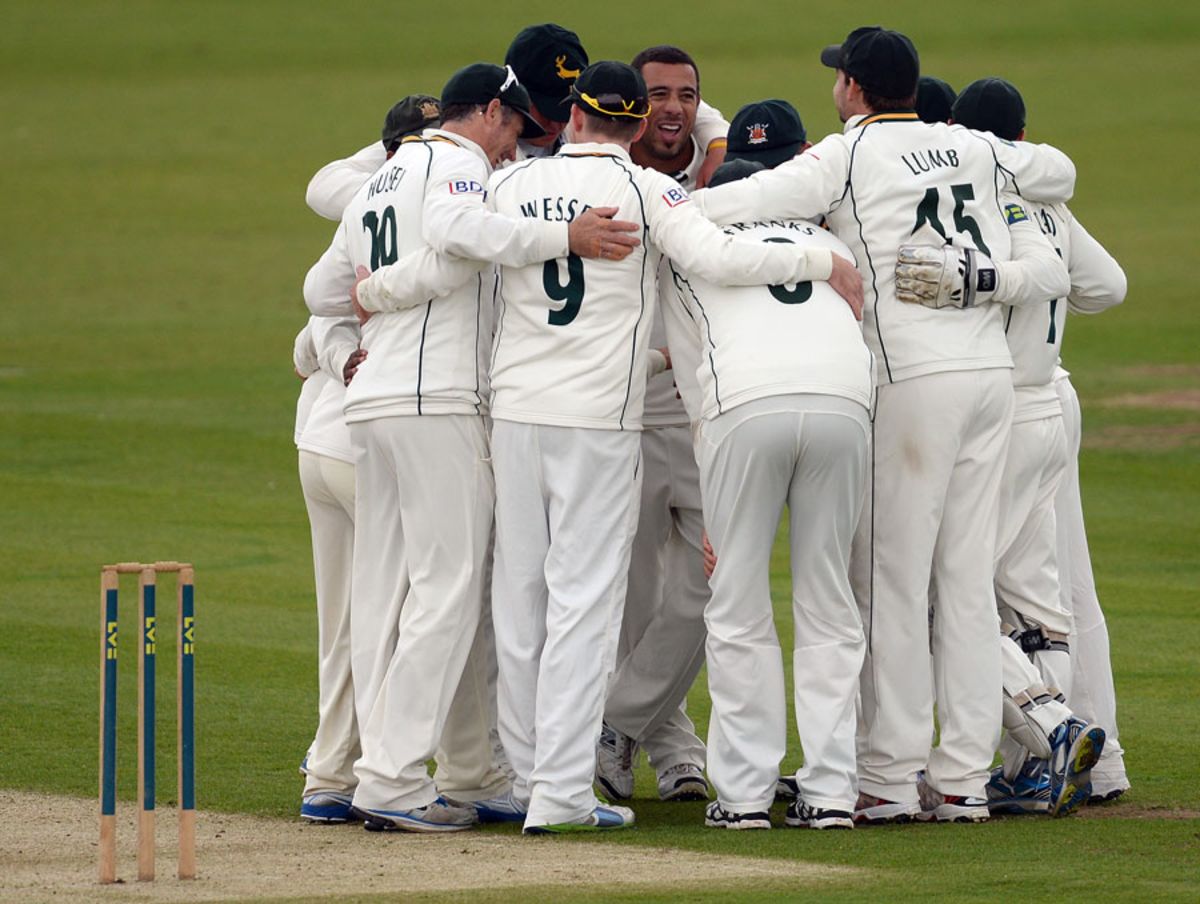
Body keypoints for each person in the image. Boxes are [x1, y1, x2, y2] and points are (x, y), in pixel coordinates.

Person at [691, 25, 1073, 824]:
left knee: (892, 583)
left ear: (853, 90)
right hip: (988, 378)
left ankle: (891, 778)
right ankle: (964, 778)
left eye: (839, 78)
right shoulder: (968, 142)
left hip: (911, 380)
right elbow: (1060, 171)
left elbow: (752, 200)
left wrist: (674, 209)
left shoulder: (846, 154)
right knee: (965, 582)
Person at [482, 60, 862, 834]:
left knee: (519, 596)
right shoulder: (651, 191)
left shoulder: (508, 186)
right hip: (601, 418)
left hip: (518, 411)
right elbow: (721, 259)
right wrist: (820, 258)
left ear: (576, 117)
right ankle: (561, 789)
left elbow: (463, 251)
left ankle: (524, 780)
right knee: (584, 603)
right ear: (630, 124)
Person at [302, 61, 640, 833]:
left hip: (374, 404)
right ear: (489, 111)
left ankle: (381, 771)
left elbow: (324, 292)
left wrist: (384, 289)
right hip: (434, 396)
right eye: (514, 127)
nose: (513, 146)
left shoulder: (383, 179)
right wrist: (567, 235)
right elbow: (459, 234)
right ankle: (390, 780)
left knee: (384, 596)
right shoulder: (455, 165)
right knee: (448, 593)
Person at [661, 109, 875, 830]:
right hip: (847, 405)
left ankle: (747, 794)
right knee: (829, 602)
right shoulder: (826, 238)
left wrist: (712, 504)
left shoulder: (691, 242)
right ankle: (832, 791)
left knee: (739, 602)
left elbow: (694, 381)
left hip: (746, 408)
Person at [948, 76, 1127, 814]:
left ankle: (1051, 732)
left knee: (950, 595)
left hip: (1001, 413)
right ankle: (1051, 766)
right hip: (1052, 402)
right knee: (1037, 598)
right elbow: (1108, 286)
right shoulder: (1046, 196)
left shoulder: (977, 192)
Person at [595, 43, 730, 807]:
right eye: (656, 96)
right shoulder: (602, 175)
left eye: (687, 95)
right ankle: (674, 748)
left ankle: (621, 725)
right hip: (630, 415)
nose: (673, 108)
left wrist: (711, 139)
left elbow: (715, 122)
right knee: (636, 597)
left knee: (711, 585)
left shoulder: (713, 171)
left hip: (709, 414)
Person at [293, 315, 362, 823]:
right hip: (367, 448)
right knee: (416, 614)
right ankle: (392, 771)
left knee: (342, 620)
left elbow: (300, 352)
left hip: (315, 446)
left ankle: (330, 772)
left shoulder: (352, 248)